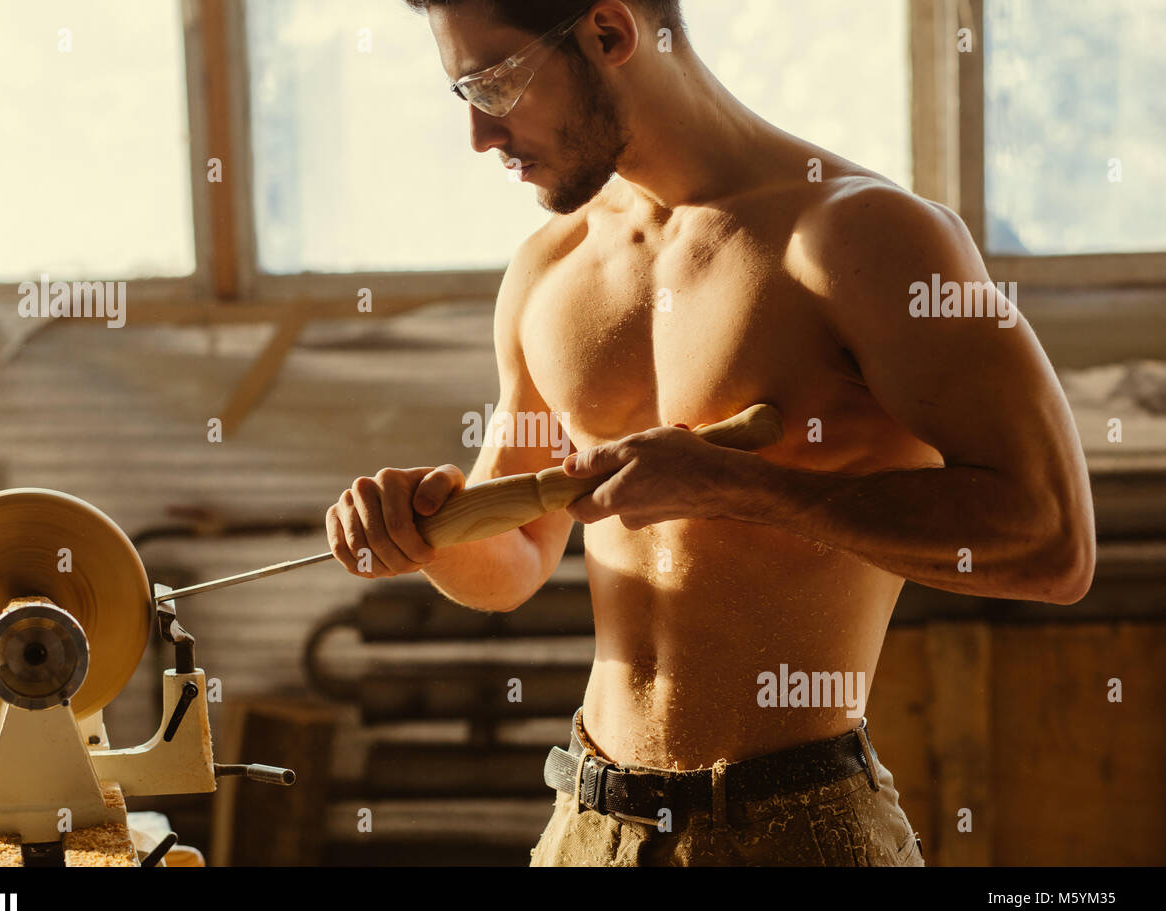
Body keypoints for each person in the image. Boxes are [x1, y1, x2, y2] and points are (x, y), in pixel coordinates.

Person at [324, 0, 1095, 865]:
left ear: (608, 33)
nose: (478, 134)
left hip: (799, 826)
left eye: (496, 83)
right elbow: (519, 556)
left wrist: (742, 490)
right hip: (589, 822)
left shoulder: (861, 236)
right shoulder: (550, 268)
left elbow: (1052, 544)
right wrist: (419, 532)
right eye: (460, 92)